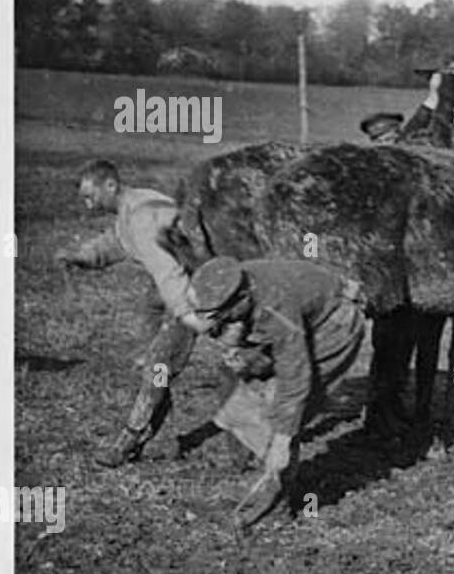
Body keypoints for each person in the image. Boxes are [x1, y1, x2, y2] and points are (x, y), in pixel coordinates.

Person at [186, 256, 368, 529]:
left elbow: (295, 376)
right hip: (298, 322)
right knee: (242, 384)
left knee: (281, 404)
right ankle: (265, 467)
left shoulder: (274, 306)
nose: (215, 323)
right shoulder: (233, 284)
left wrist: (283, 439)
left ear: (242, 299)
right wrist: (241, 350)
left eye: (221, 315)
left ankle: (279, 505)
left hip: (335, 324)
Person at [56, 159, 208, 467]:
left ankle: (129, 439)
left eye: (91, 196)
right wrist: (82, 255)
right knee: (154, 366)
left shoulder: (141, 215)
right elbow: (118, 241)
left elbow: (170, 272)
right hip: (167, 291)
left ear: (110, 185)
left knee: (157, 364)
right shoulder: (133, 207)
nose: (88, 205)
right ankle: (165, 441)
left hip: (190, 289)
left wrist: (185, 314)